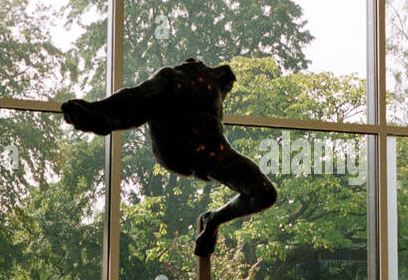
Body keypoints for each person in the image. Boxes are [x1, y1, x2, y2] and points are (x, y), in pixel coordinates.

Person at [61, 58, 277, 256]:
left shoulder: (215, 78)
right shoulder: (172, 80)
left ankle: (213, 220)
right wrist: (93, 108)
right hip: (177, 152)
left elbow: (134, 96)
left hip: (215, 153)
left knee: (266, 194)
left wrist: (94, 108)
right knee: (151, 98)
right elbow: (133, 97)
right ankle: (106, 122)